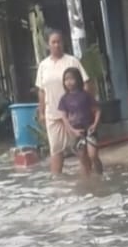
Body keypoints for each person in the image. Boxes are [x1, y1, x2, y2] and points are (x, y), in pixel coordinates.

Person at [37, 31, 89, 175]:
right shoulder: (43, 66)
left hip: (74, 115)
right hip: (53, 115)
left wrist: (84, 105)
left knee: (81, 151)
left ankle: (88, 181)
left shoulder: (72, 61)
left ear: (63, 43)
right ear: (48, 45)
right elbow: (41, 91)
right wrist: (41, 112)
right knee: (56, 151)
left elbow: (86, 83)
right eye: (53, 42)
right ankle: (58, 185)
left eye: (59, 41)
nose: (56, 45)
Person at [58, 67, 102, 176]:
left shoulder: (86, 95)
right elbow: (64, 117)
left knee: (93, 155)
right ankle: (88, 180)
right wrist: (72, 130)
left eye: (71, 79)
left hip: (90, 130)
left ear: (78, 79)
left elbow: (97, 110)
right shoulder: (64, 99)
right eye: (66, 79)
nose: (68, 82)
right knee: (82, 158)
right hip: (77, 133)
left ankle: (100, 174)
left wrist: (95, 124)